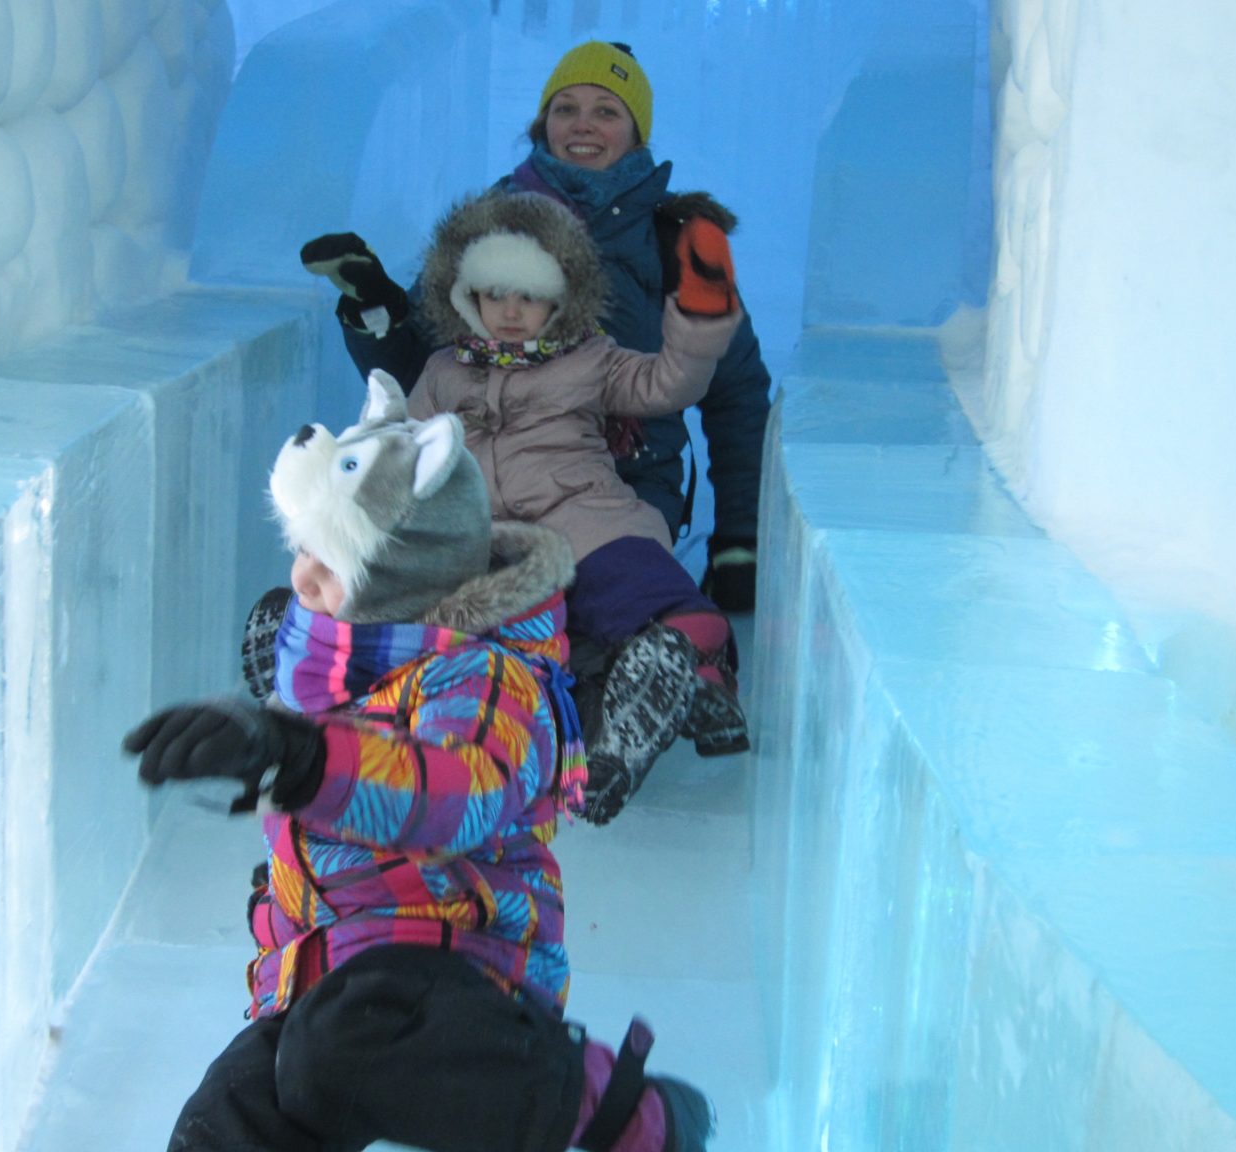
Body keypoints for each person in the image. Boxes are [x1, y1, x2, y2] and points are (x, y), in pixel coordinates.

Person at [121, 376, 713, 1152]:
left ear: (403, 575)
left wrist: (295, 757)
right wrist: (274, 905)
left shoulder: (484, 677)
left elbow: (452, 793)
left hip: (458, 962)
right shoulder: (333, 686)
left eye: (328, 563)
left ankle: (623, 1114)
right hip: (324, 975)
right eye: (303, 550)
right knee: (228, 1114)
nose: (301, 580)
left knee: (333, 1046)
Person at [301, 40, 770, 613]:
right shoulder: (490, 227)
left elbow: (734, 394)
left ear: (636, 132)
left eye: (606, 110)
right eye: (565, 107)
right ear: (542, 122)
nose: (582, 125)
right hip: (484, 485)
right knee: (438, 602)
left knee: (605, 607)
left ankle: (644, 673)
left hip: (620, 491)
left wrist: (740, 542)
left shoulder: (673, 242)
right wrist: (378, 310)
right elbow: (424, 376)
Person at [393, 187, 749, 825]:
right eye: (494, 293)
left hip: (585, 521)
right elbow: (402, 449)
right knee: (517, 652)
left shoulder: (591, 357)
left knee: (629, 586)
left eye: (528, 295)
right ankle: (603, 732)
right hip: (488, 545)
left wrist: (700, 315)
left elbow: (667, 383)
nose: (509, 311)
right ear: (465, 295)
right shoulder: (444, 372)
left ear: (561, 297)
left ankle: (690, 655)